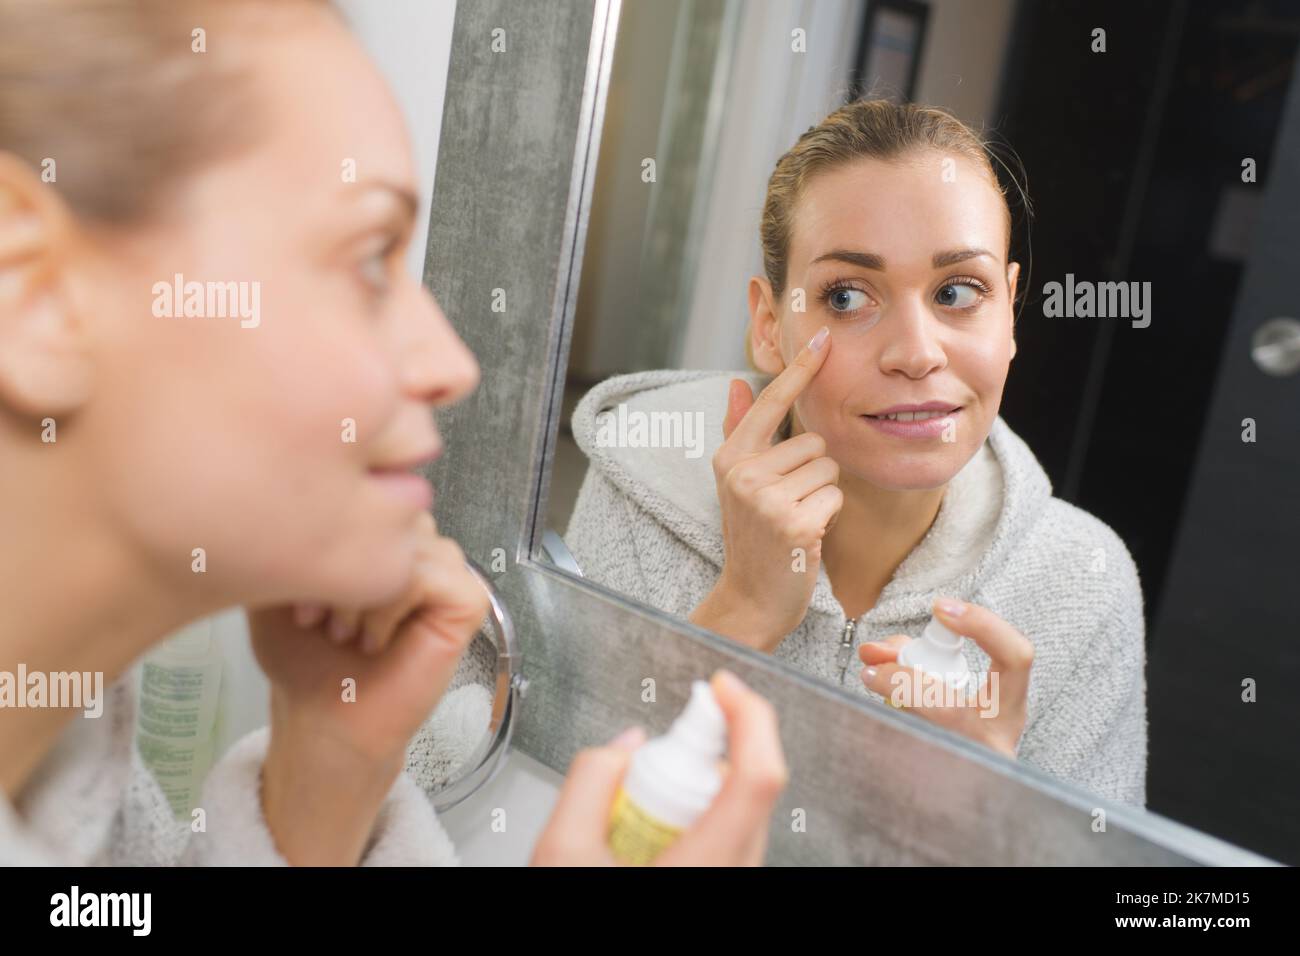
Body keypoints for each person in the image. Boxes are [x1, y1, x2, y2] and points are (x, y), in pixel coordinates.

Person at [0, 0, 787, 866]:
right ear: (32, 296)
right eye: (371, 256)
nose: (453, 364)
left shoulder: (71, 786)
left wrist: (327, 777)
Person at [566, 98, 1147, 806]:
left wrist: (987, 811)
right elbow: (563, 803)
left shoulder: (1083, 584)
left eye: (959, 291)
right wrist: (741, 612)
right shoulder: (641, 488)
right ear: (769, 324)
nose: (916, 353)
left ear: (1010, 308)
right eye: (846, 297)